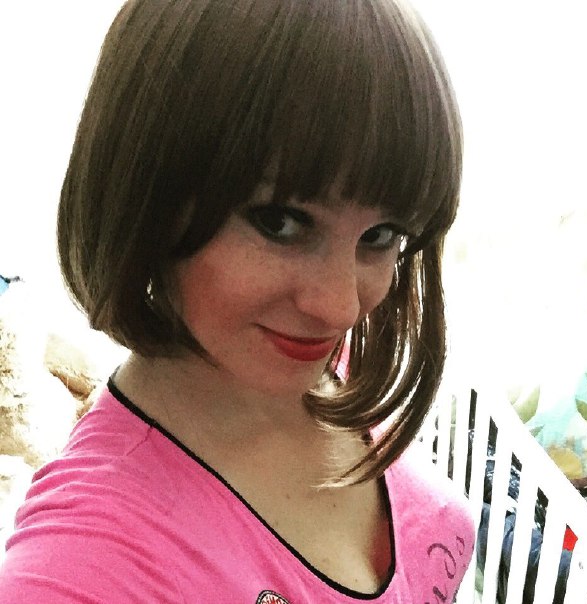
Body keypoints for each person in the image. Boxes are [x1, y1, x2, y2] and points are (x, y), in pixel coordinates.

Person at [0, 0, 474, 601]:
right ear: (147, 196)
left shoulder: (327, 363)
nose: (341, 308)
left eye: (380, 236)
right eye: (280, 221)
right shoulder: (79, 572)